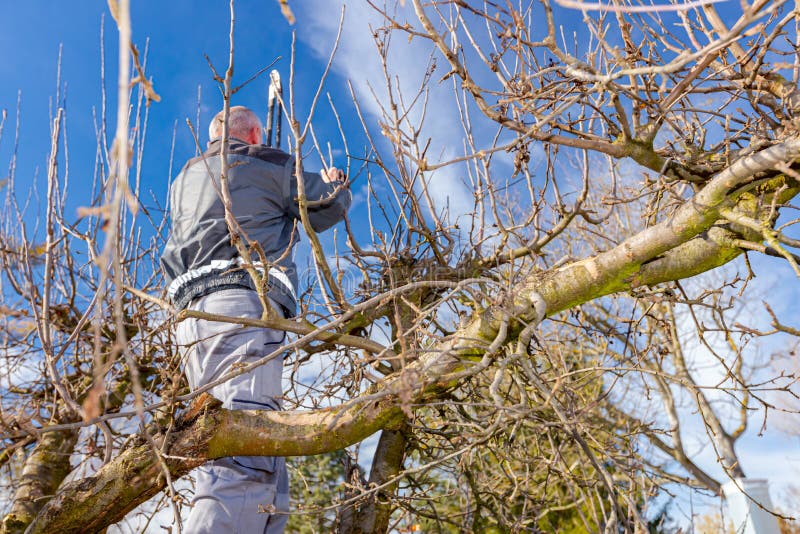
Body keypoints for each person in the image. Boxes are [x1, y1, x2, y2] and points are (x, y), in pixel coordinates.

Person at [161, 105, 351, 533]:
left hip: (192, 320)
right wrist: (337, 182)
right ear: (253, 135)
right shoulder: (265, 161)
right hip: (241, 307)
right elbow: (324, 207)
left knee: (259, 456)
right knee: (243, 459)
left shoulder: (185, 178)